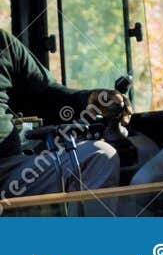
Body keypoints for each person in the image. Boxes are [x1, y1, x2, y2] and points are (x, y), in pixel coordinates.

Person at [0, 28, 126, 202]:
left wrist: (89, 99)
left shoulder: (3, 43)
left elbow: (48, 94)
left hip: (9, 169)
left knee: (99, 155)